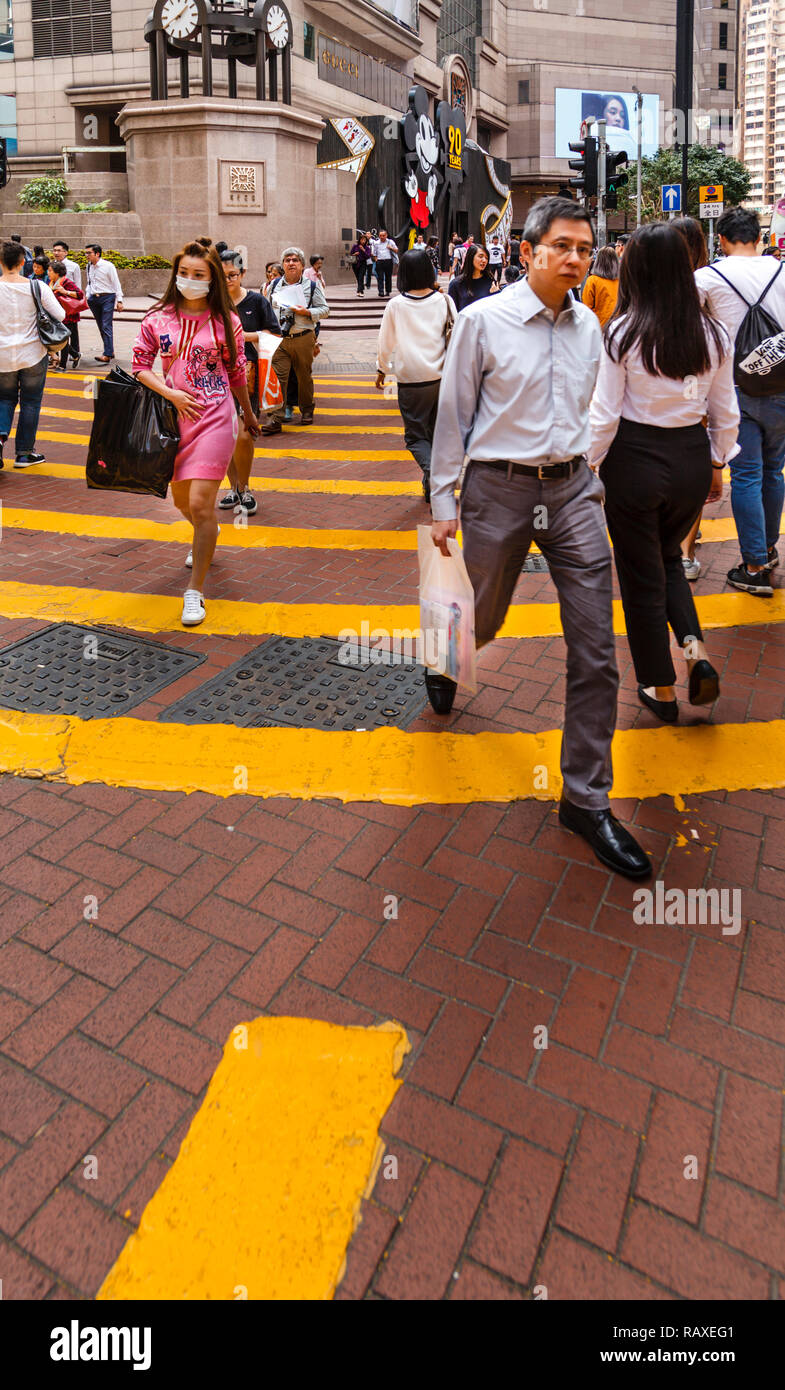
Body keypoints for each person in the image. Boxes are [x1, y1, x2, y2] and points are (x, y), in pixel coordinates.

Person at [429, 195, 650, 879]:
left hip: (573, 490)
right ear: (526, 253)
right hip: (497, 488)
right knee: (482, 619)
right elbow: (453, 411)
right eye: (561, 246)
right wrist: (442, 499)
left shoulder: (592, 326)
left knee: (595, 648)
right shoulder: (480, 321)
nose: (575, 260)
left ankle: (584, 800)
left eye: (584, 249)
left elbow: (593, 407)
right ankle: (444, 656)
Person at [589, 221, 738, 724]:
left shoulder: (623, 332)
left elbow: (605, 415)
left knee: (639, 577)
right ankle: (694, 649)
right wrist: (717, 462)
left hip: (633, 463)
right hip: (691, 460)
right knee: (668, 559)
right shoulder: (713, 333)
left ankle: (660, 686)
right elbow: (726, 412)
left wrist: (589, 467)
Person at [131, 241, 260, 627]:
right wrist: (170, 392)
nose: (189, 280)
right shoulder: (158, 319)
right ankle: (207, 534)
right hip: (173, 420)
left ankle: (195, 591)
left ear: (213, 280)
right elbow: (140, 365)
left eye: (199, 275)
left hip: (216, 417)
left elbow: (237, 372)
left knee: (202, 504)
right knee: (183, 505)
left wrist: (248, 414)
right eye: (184, 273)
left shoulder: (227, 322)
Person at [695, 205, 785, 596]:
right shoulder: (781, 270)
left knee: (746, 474)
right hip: (782, 383)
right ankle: (766, 548)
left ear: (722, 239)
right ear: (760, 237)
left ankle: (754, 566)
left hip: (736, 388)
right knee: (774, 471)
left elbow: (684, 325)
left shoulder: (707, 277)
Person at [375, 248, 456, 504]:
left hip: (411, 379)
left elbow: (385, 341)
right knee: (433, 432)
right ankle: (430, 485)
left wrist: (381, 369)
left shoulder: (396, 305)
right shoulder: (444, 301)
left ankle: (433, 471)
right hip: (441, 378)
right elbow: (457, 335)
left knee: (415, 436)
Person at [219, 248, 280, 515]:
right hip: (216, 377)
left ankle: (244, 488)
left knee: (244, 436)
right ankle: (233, 488)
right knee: (225, 437)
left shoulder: (256, 301)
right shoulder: (213, 303)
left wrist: (244, 336)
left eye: (233, 274)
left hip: (248, 375)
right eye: (222, 276)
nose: (228, 280)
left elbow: (274, 332)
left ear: (242, 274)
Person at [0, 239, 66, 468]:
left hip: (2, 356)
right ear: (22, 262)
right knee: (30, 402)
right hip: (33, 354)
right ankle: (24, 454)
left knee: (4, 398)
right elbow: (60, 315)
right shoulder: (37, 286)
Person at [673, 215, 710, 580]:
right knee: (693, 464)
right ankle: (687, 549)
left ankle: (678, 541)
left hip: (661, 389)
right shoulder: (707, 281)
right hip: (698, 385)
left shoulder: (657, 281)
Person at [263, 245, 329, 434]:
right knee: (278, 378)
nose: (291, 263)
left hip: (303, 338)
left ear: (301, 265)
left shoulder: (312, 286)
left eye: (295, 260)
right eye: (287, 260)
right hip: (280, 340)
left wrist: (306, 312)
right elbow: (266, 310)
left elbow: (325, 310)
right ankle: (275, 418)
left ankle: (307, 410)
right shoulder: (274, 285)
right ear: (283, 265)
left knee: (303, 377)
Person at [85, 243, 124, 363]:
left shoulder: (108, 266)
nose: (86, 255)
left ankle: (107, 354)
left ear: (97, 254)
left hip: (107, 297)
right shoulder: (88, 266)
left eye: (89, 253)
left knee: (106, 325)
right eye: (86, 253)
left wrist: (119, 300)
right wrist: (87, 297)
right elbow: (89, 283)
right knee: (101, 325)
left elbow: (116, 283)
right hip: (93, 299)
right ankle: (110, 350)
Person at [47, 260, 84, 371]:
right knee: (59, 340)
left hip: (69, 316)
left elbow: (80, 294)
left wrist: (65, 291)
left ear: (57, 273)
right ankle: (75, 354)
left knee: (63, 340)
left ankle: (62, 366)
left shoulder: (66, 282)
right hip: (58, 316)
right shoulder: (51, 283)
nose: (48, 273)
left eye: (50, 271)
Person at [448, 243, 497, 311]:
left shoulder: (491, 281)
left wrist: (496, 295)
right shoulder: (456, 284)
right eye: (480, 256)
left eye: (486, 258)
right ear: (471, 257)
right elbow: (451, 312)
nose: (484, 260)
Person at [581, 245, 619, 327]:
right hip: (619, 326)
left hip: (599, 327)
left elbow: (586, 308)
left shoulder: (592, 280)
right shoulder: (621, 281)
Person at [371, 229, 398, 298]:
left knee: (388, 277)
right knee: (380, 277)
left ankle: (388, 291)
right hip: (379, 261)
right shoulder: (376, 243)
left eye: (383, 235)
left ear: (386, 235)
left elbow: (396, 250)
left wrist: (390, 248)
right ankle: (381, 291)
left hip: (388, 261)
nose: (382, 237)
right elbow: (373, 253)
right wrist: (376, 260)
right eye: (380, 235)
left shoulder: (390, 242)